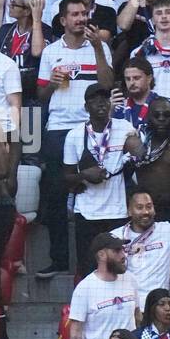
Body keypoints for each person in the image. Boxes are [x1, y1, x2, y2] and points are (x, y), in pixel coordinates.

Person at [35, 0, 116, 279]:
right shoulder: (50, 51)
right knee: (56, 195)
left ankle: (94, 264)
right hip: (58, 128)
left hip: (90, 128)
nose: (81, 19)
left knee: (94, 191)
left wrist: (96, 48)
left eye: (84, 14)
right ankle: (59, 260)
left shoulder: (101, 46)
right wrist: (53, 85)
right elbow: (40, 96)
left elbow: (106, 86)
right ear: (63, 20)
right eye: (75, 14)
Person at [64, 86, 140, 277]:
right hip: (87, 212)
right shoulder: (74, 135)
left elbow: (139, 152)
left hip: (117, 211)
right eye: (94, 100)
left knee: (120, 267)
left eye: (105, 99)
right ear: (86, 106)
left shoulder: (124, 127)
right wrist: (85, 175)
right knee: (89, 268)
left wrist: (136, 147)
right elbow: (66, 178)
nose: (101, 103)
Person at [117, 193, 170, 316]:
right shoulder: (116, 236)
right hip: (127, 306)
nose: (145, 212)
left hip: (158, 306)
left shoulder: (167, 230)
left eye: (149, 207)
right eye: (139, 207)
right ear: (129, 211)